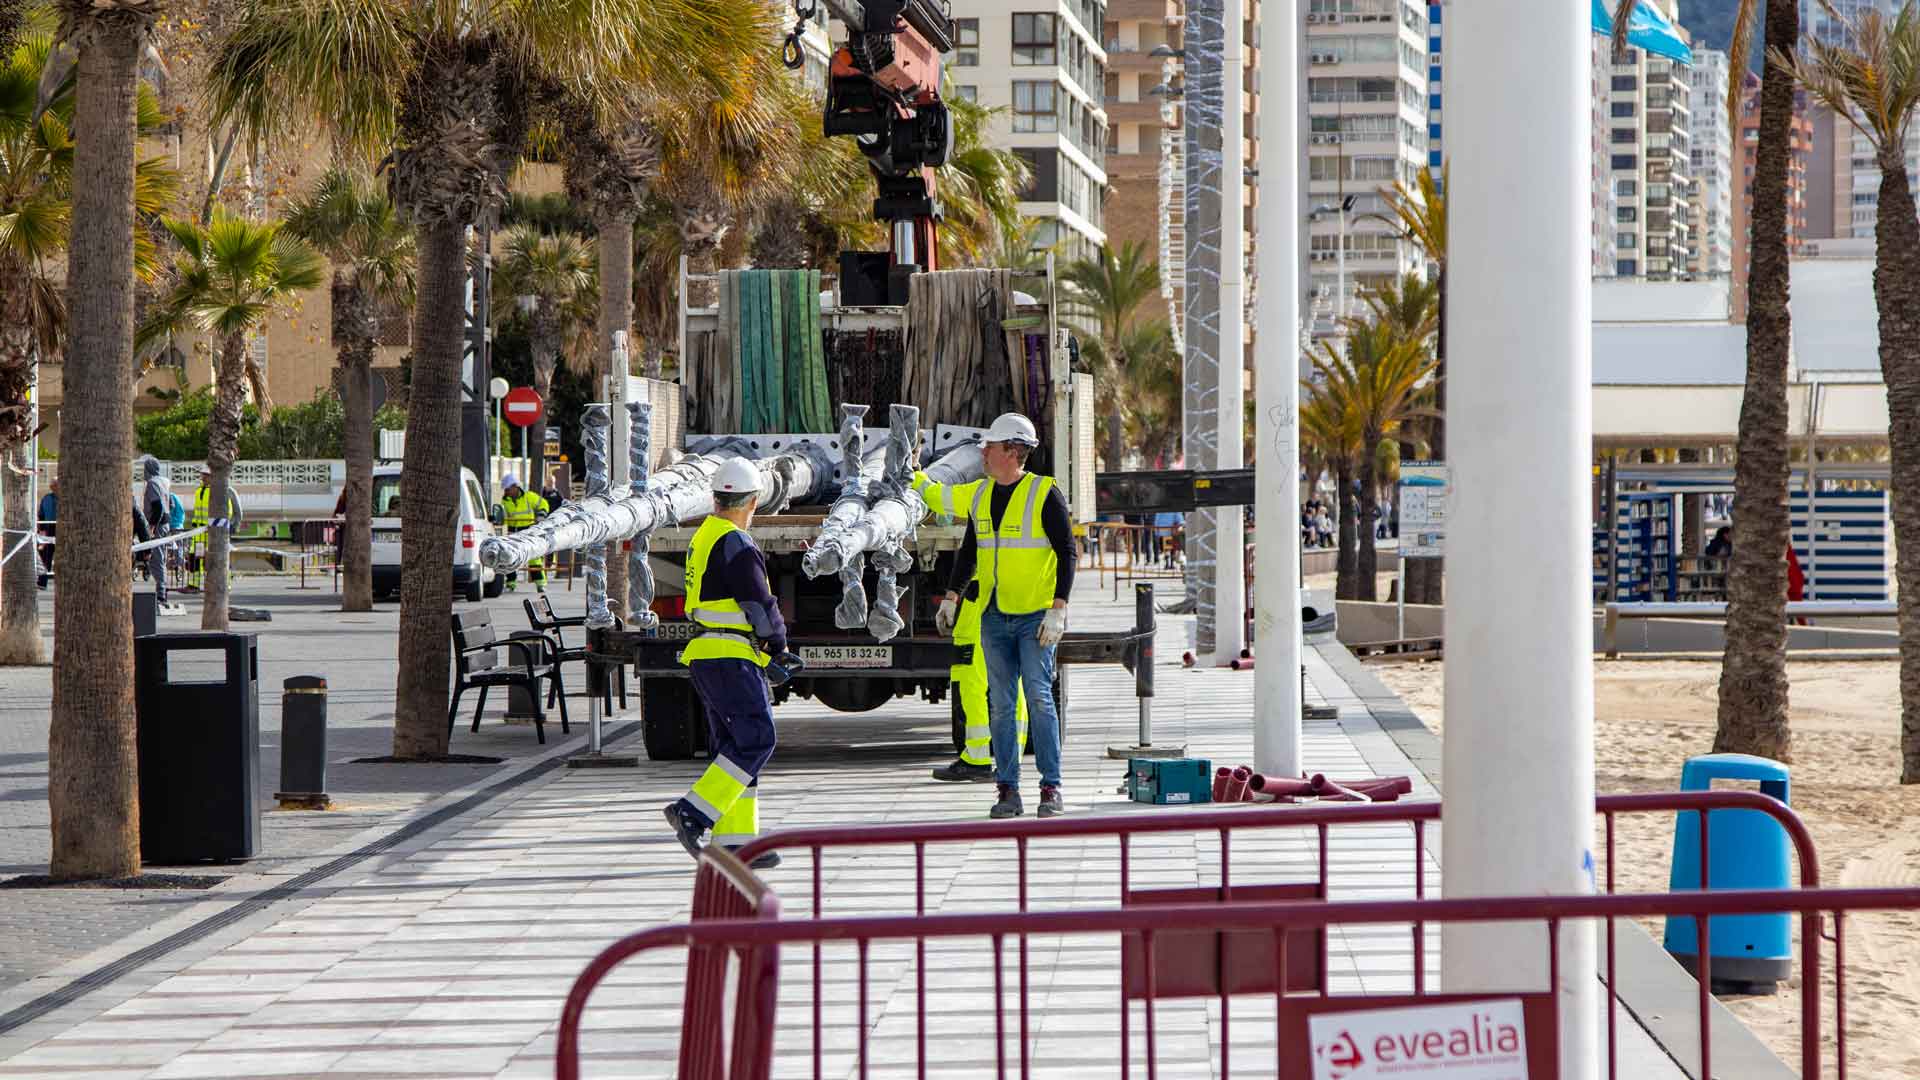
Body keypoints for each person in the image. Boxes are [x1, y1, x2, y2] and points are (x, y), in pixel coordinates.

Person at [663, 457, 802, 870]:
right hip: (731, 655)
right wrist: (778, 644)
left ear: (716, 499)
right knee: (757, 739)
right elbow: (759, 603)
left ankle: (735, 843)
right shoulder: (737, 542)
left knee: (734, 747)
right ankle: (692, 812)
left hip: (707, 654)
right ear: (753, 502)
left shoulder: (705, 535)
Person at [937, 412, 1073, 819]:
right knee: (1000, 704)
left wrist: (1059, 609)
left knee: (1039, 699)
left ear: (1012, 452)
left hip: (1035, 618)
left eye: (991, 447)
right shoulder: (981, 495)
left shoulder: (1044, 493)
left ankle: (1050, 788)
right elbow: (970, 551)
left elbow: (1067, 552)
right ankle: (1007, 790)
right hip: (994, 615)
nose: (983, 452)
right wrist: (951, 596)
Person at [913, 469, 1027, 783]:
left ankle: (984, 758)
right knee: (1003, 682)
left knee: (978, 681)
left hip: (986, 605)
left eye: (988, 449)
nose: (984, 454)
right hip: (1004, 602)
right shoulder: (1024, 495)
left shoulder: (983, 493)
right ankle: (1002, 758)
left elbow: (939, 497)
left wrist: (916, 476)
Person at [137, 456, 182, 615]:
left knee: (157, 560)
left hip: (158, 524)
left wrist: (151, 526)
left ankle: (161, 595)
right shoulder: (164, 482)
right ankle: (162, 592)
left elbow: (158, 508)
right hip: (165, 524)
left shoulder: (152, 483)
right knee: (160, 558)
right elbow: (171, 504)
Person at [186, 466, 242, 592]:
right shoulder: (199, 490)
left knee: (218, 559)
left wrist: (229, 527)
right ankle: (193, 584)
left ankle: (224, 584)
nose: (203, 477)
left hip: (216, 532)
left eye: (206, 475)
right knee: (194, 557)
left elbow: (233, 511)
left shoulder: (223, 490)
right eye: (202, 475)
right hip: (199, 532)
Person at [499, 474, 549, 591]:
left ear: (515, 487)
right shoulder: (505, 500)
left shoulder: (529, 496)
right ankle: (511, 583)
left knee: (533, 557)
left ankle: (540, 584)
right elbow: (504, 516)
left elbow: (543, 504)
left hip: (528, 531)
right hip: (513, 532)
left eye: (507, 489)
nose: (506, 492)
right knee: (510, 557)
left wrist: (541, 514)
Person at [35, 478, 55, 588]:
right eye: (52, 485)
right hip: (48, 528)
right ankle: (42, 582)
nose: (52, 487)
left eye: (54, 485)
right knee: (45, 556)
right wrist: (41, 530)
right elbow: (41, 515)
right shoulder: (46, 498)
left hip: (60, 526)